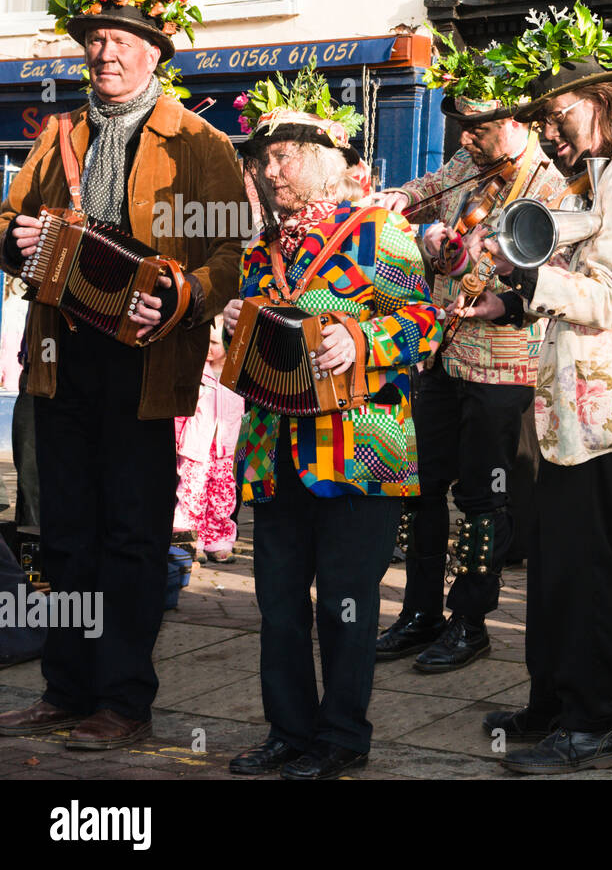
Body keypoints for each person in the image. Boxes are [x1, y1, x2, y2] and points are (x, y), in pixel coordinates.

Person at [0, 0, 243, 750]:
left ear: (153, 54)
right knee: (61, 529)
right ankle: (66, 687)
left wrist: (177, 297)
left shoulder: (198, 143)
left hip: (144, 357)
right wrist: (17, 238)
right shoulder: (57, 135)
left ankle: (125, 701)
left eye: (120, 42)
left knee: (132, 533)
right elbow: (7, 223)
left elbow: (227, 256)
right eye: (95, 41)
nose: (104, 53)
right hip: (61, 353)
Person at [458, 4, 612, 773]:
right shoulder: (606, 170)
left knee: (585, 568)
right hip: (571, 402)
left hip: (607, 407)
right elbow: (580, 279)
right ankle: (551, 702)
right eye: (545, 122)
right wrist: (509, 298)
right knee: (555, 561)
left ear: (605, 98)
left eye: (559, 117)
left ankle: (594, 720)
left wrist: (529, 277)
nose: (551, 134)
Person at [223, 69, 444, 780]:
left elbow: (425, 322)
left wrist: (365, 341)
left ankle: (342, 736)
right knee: (279, 605)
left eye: (283, 154)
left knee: (346, 605)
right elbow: (256, 346)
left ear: (324, 161)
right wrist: (231, 326)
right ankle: (289, 732)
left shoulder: (382, 229)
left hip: (362, 450)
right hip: (274, 450)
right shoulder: (260, 251)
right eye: (262, 158)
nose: (269, 168)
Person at [370, 40, 568, 672]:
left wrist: (496, 291)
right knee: (420, 487)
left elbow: (559, 277)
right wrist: (411, 215)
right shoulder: (466, 164)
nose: (466, 140)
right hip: (444, 353)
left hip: (506, 362)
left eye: (477, 130)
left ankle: (470, 622)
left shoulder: (557, 185)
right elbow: (424, 192)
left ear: (513, 123)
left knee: (483, 496)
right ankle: (420, 612)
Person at [172, 320, 244, 566]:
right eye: (207, 342)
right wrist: (177, 435)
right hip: (196, 444)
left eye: (214, 343)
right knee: (192, 493)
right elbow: (182, 409)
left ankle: (220, 542)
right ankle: (190, 541)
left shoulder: (236, 374)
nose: (210, 348)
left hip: (226, 447)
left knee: (223, 495)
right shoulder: (196, 371)